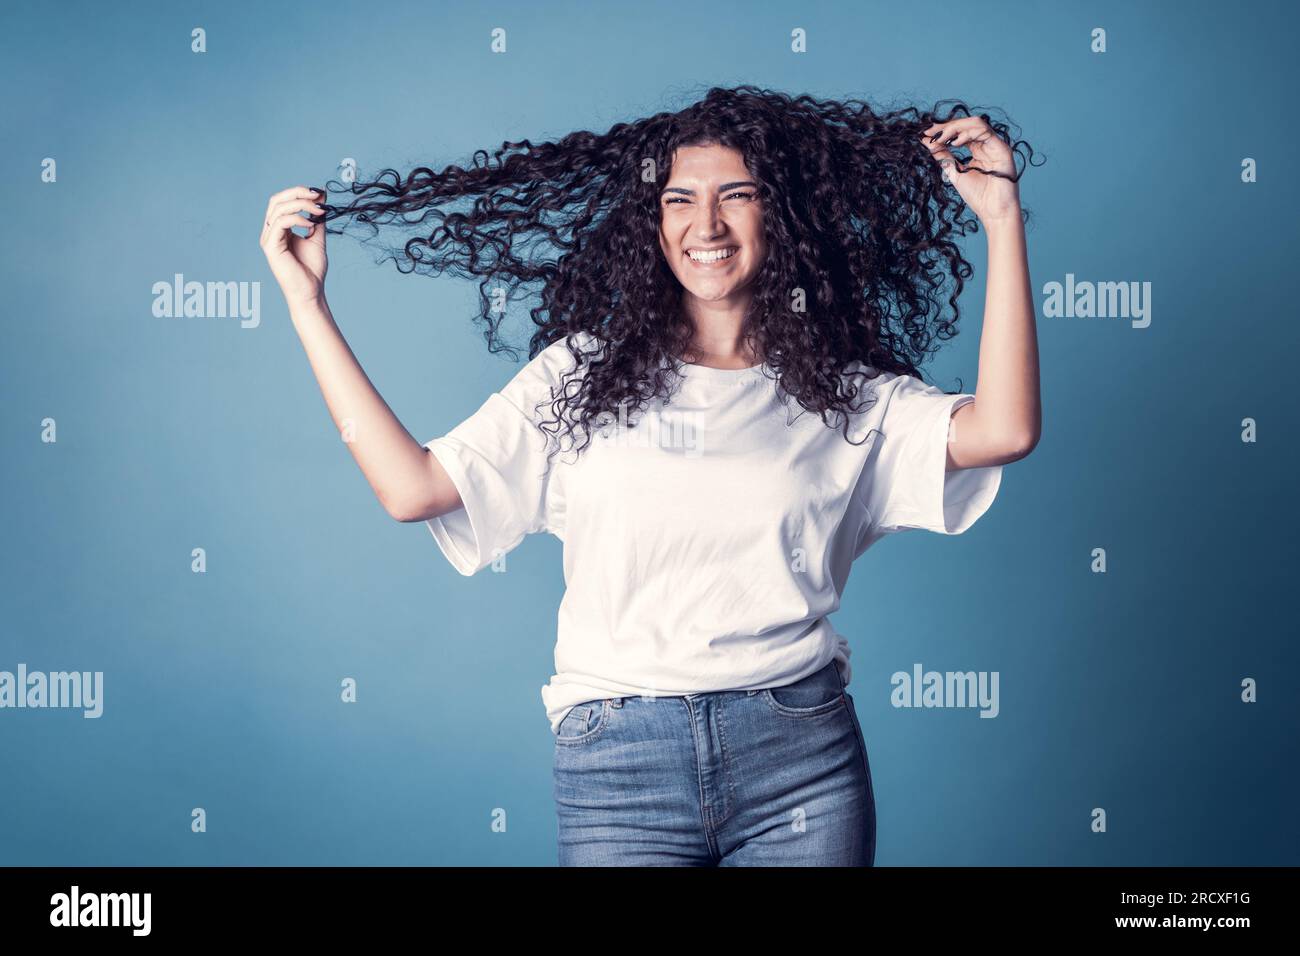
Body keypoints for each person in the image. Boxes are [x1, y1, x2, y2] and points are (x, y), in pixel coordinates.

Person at [259, 85, 1042, 866]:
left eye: (737, 195)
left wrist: (1002, 219)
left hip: (801, 758)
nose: (707, 225)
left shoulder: (843, 391)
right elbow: (413, 489)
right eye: (680, 199)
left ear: (783, 216)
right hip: (617, 765)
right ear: (652, 222)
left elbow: (1005, 430)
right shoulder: (578, 377)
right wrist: (307, 307)